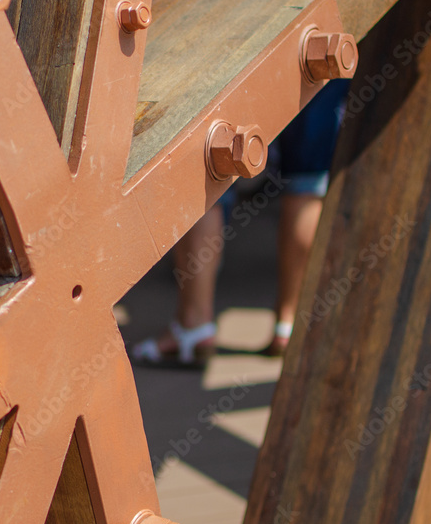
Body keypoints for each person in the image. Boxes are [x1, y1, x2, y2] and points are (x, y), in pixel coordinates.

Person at [131, 80, 350, 364]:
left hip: (241, 49)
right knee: (306, 183)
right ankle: (289, 322)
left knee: (208, 174)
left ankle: (194, 325)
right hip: (313, 50)